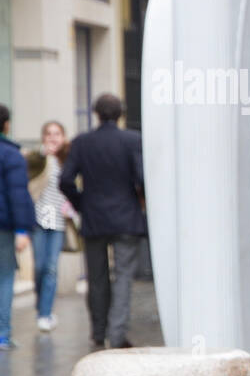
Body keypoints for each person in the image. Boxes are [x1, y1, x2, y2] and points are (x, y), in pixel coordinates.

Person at [60, 93, 146, 348]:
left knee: (96, 279)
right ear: (120, 114)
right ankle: (117, 334)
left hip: (94, 219)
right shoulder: (132, 140)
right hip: (125, 219)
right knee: (123, 277)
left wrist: (81, 203)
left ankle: (98, 332)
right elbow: (142, 179)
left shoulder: (82, 143)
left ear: (96, 113)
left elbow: (65, 180)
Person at [26, 121, 72, 332]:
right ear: (43, 137)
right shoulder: (37, 160)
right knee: (39, 267)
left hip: (58, 220)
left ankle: (45, 314)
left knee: (51, 268)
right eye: (49, 133)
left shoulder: (68, 160)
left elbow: (74, 186)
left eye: (57, 134)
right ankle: (41, 305)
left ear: (63, 137)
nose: (53, 138)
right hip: (37, 218)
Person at [0, 104, 37, 351]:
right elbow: (17, 195)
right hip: (3, 226)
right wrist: (22, 230)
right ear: (6, 124)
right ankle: (2, 334)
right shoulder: (12, 154)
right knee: (4, 276)